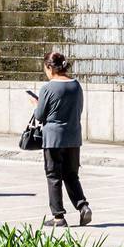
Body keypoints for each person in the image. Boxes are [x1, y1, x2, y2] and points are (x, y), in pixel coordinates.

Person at [33, 51, 92, 227]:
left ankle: (58, 216)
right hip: (73, 136)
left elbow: (40, 115)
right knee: (72, 175)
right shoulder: (76, 85)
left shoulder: (48, 88)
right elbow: (78, 110)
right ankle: (83, 206)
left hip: (53, 138)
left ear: (50, 67)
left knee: (54, 176)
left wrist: (36, 105)